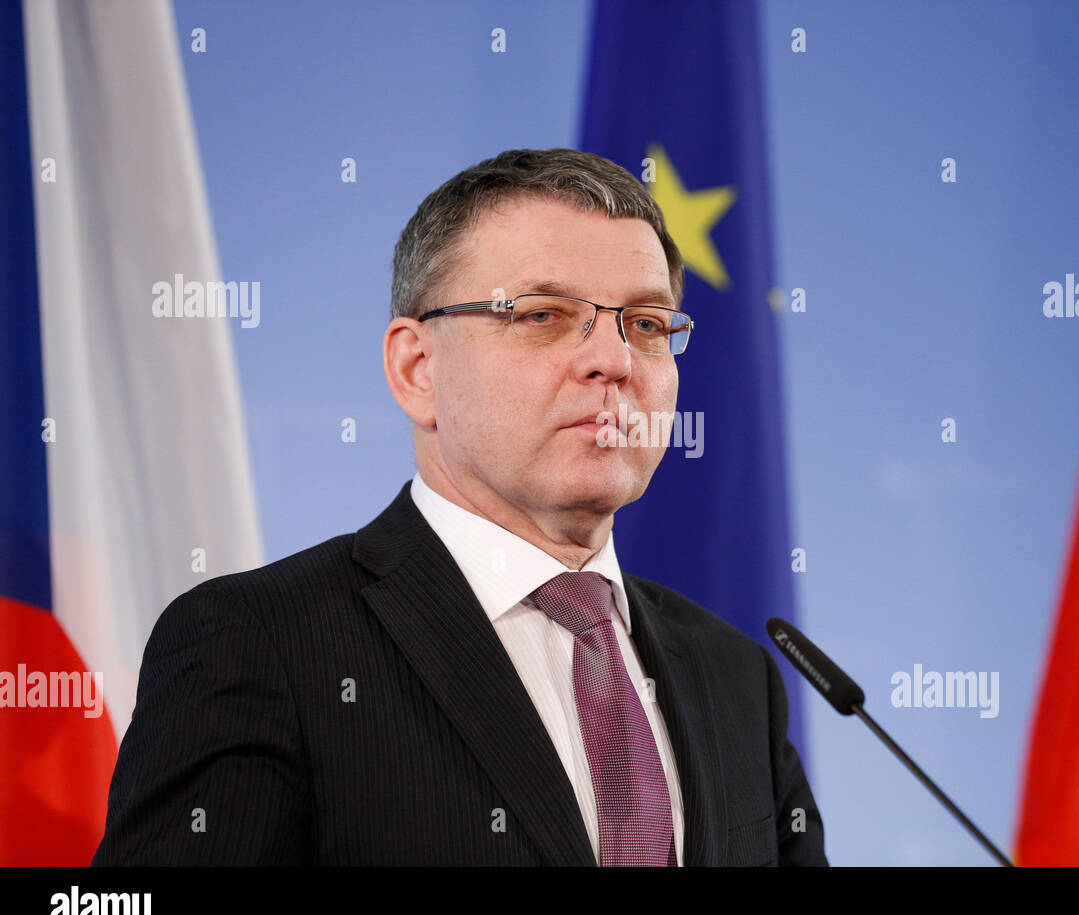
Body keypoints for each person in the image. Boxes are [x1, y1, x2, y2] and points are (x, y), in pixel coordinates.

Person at [92, 147, 827, 866]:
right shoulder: (260, 644)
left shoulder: (735, 677)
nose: (615, 361)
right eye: (542, 315)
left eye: (646, 324)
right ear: (417, 369)